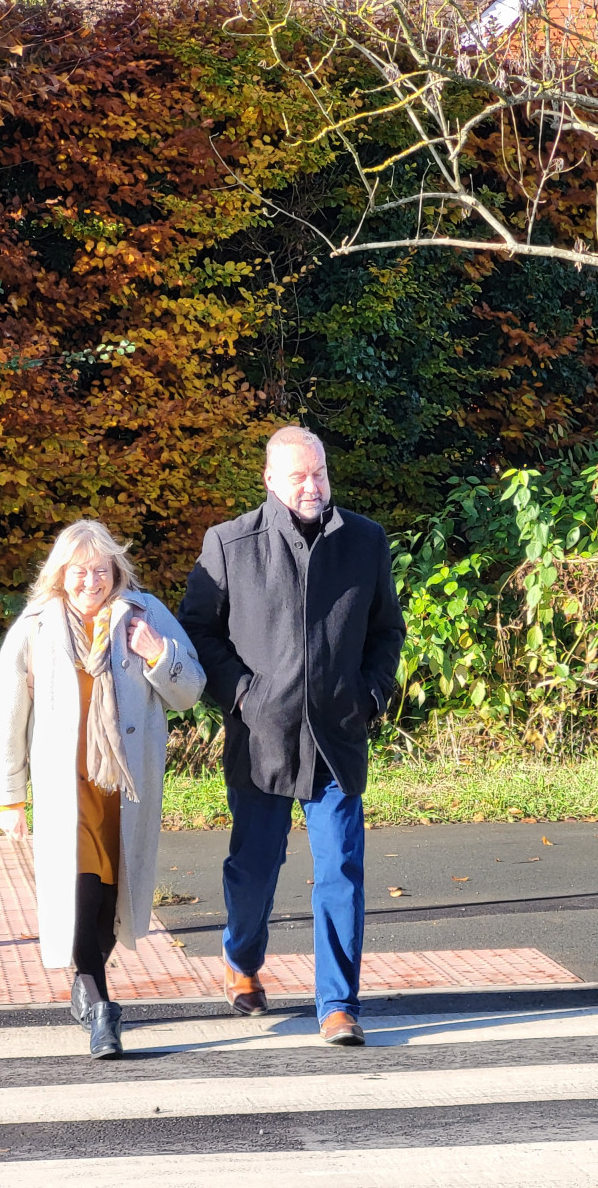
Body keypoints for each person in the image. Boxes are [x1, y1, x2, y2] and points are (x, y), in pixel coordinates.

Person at [178, 426, 405, 1047]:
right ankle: (242, 959)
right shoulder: (229, 544)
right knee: (254, 866)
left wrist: (370, 695)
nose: (313, 486)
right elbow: (199, 632)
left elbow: (388, 632)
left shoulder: (364, 541)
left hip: (337, 736)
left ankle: (337, 1003)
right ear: (271, 481)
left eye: (320, 473)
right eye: (299, 476)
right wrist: (243, 694)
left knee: (341, 868)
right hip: (261, 738)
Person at [0, 519, 206, 1058]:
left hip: (126, 785)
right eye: (80, 570)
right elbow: (8, 717)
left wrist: (158, 654)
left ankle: (85, 987)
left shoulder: (145, 613)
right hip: (69, 788)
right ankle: (101, 1006)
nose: (92, 580)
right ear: (61, 574)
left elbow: (191, 691)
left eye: (102, 569)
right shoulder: (36, 627)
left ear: (116, 570)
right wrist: (10, 798)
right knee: (83, 884)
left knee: (113, 895)